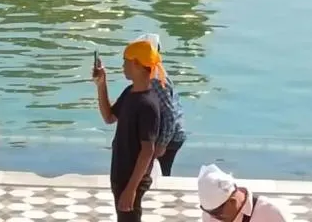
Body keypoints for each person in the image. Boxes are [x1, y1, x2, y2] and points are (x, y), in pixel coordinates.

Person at [92, 40, 161, 222]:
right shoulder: (130, 92)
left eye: (125, 61)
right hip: (121, 172)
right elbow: (109, 117)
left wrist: (131, 189)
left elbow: (148, 151)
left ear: (137, 64)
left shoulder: (148, 105)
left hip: (132, 178)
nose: (123, 66)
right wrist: (101, 84)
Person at [134, 33, 185, 176]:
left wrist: (162, 144)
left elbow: (169, 116)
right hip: (167, 134)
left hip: (169, 138)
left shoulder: (155, 79)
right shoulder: (155, 73)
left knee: (159, 174)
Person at [197, 163, 292, 222]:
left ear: (232, 201)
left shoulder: (269, 212)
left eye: (217, 213)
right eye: (208, 212)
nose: (213, 218)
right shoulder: (210, 215)